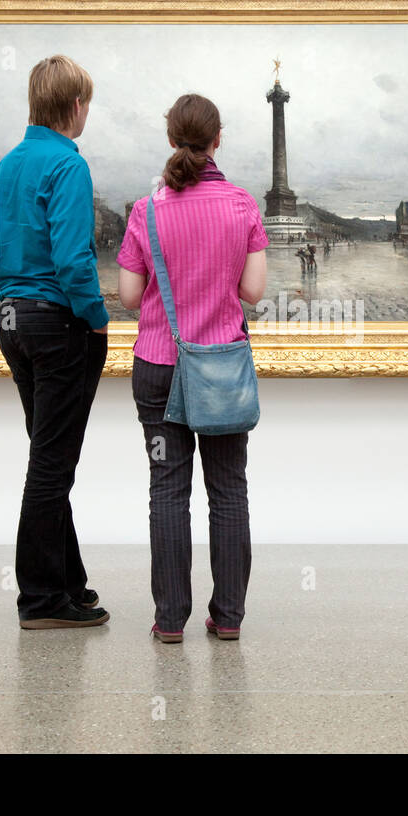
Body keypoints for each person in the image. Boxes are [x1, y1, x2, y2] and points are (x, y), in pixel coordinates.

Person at [116, 93, 268, 644]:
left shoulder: (146, 210)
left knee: (167, 492)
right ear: (218, 140)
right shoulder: (243, 206)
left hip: (160, 365)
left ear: (171, 139)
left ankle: (170, 619)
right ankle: (228, 617)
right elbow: (252, 291)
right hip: (221, 369)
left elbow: (129, 297)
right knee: (228, 491)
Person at [0, 55, 111, 630]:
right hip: (58, 324)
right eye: (86, 101)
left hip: (12, 320)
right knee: (51, 466)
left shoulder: (10, 165)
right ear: (74, 106)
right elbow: (73, 259)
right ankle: (40, 600)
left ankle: (68, 582)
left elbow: (1, 250)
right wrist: (97, 321)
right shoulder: (68, 165)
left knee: (47, 456)